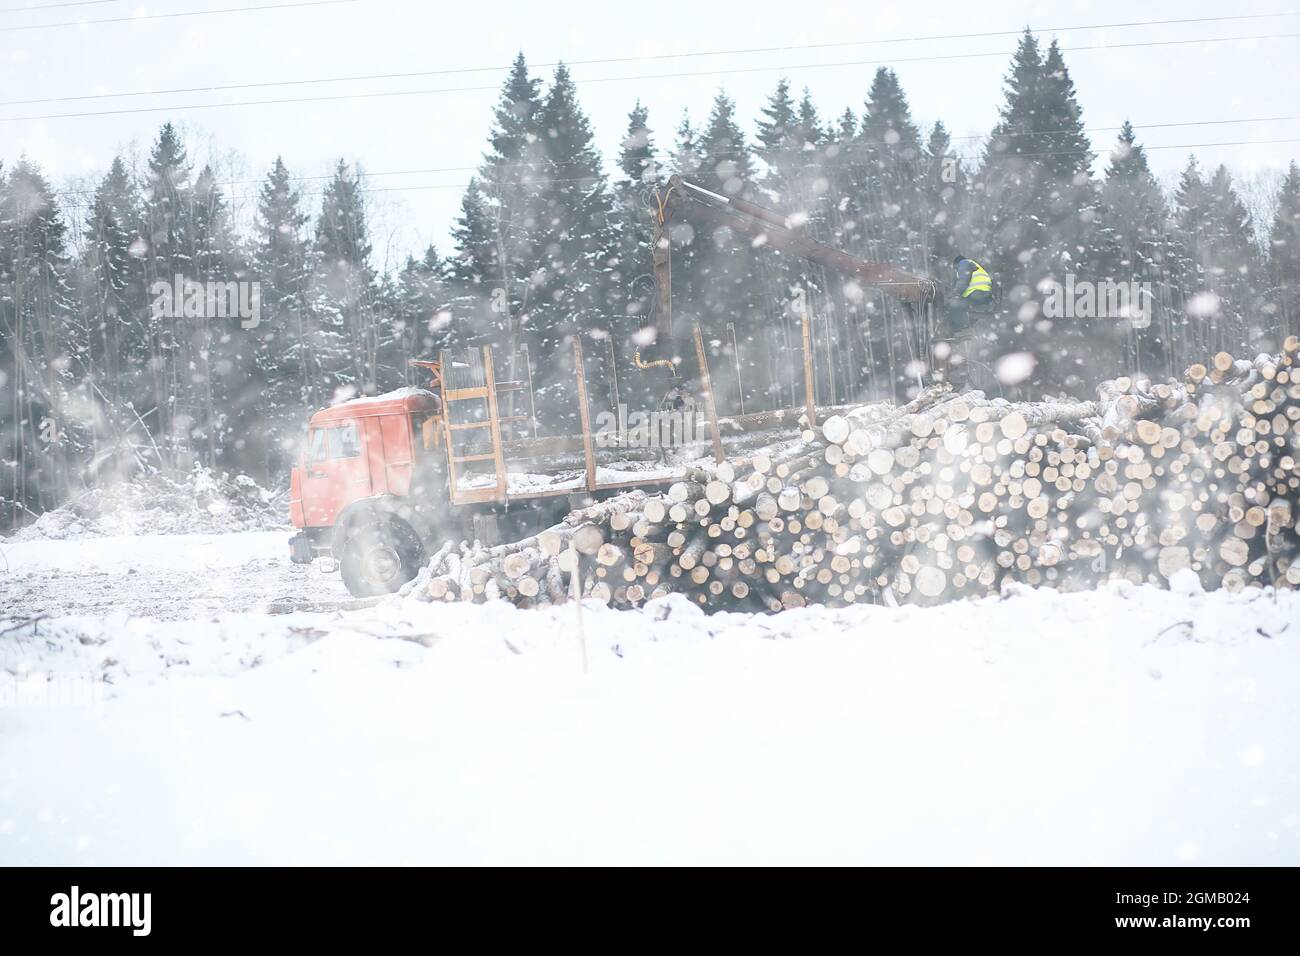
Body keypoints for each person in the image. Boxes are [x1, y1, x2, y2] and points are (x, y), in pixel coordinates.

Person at [935, 255, 995, 389]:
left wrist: (955, 294)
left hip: (978, 293)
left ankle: (964, 329)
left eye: (954, 267)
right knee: (956, 305)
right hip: (981, 294)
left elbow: (963, 281)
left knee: (954, 306)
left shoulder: (964, 264)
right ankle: (963, 329)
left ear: (956, 263)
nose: (955, 269)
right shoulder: (972, 265)